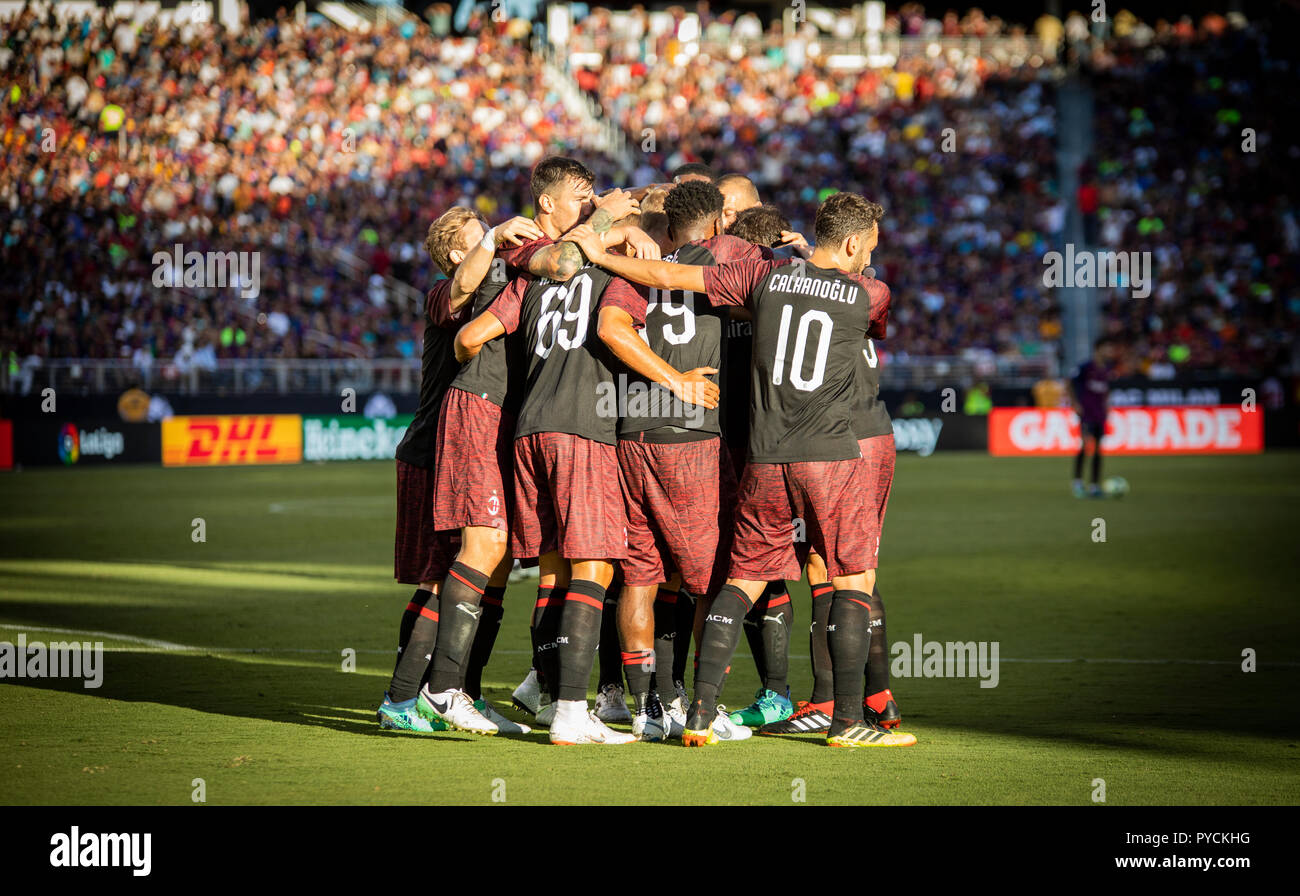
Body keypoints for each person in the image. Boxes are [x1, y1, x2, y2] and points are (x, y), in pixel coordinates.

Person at [570, 192, 918, 748]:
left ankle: (702, 713)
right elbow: (861, 301)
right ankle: (850, 721)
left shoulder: (764, 283)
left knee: (742, 580)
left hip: (763, 458)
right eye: (867, 246)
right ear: (854, 243)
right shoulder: (868, 293)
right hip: (830, 455)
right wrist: (808, 253)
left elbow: (670, 273)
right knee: (851, 579)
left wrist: (605, 256)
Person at [1070, 340, 1112, 498]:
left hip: (1099, 414)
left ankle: (1095, 485)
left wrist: (1107, 406)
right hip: (1086, 413)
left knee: (1098, 449)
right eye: (1107, 348)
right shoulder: (1085, 367)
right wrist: (1075, 403)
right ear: (1098, 350)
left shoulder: (1106, 370)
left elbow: (1106, 390)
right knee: (1086, 445)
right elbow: (1069, 382)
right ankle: (1078, 483)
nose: (1109, 352)